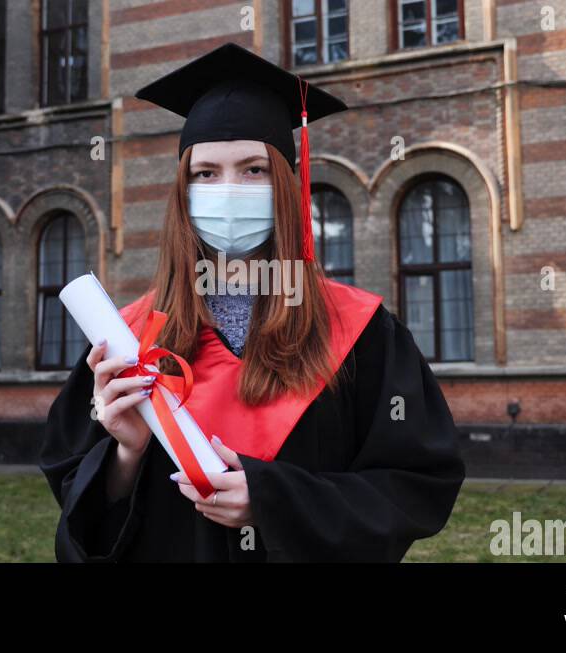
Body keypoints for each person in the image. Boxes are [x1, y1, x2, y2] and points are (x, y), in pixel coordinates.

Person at [39, 43, 465, 562]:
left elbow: (415, 485)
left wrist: (275, 499)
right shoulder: (131, 340)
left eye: (254, 169)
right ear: (184, 191)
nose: (230, 190)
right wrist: (126, 452)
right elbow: (80, 505)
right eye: (207, 173)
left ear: (286, 185)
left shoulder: (360, 331)